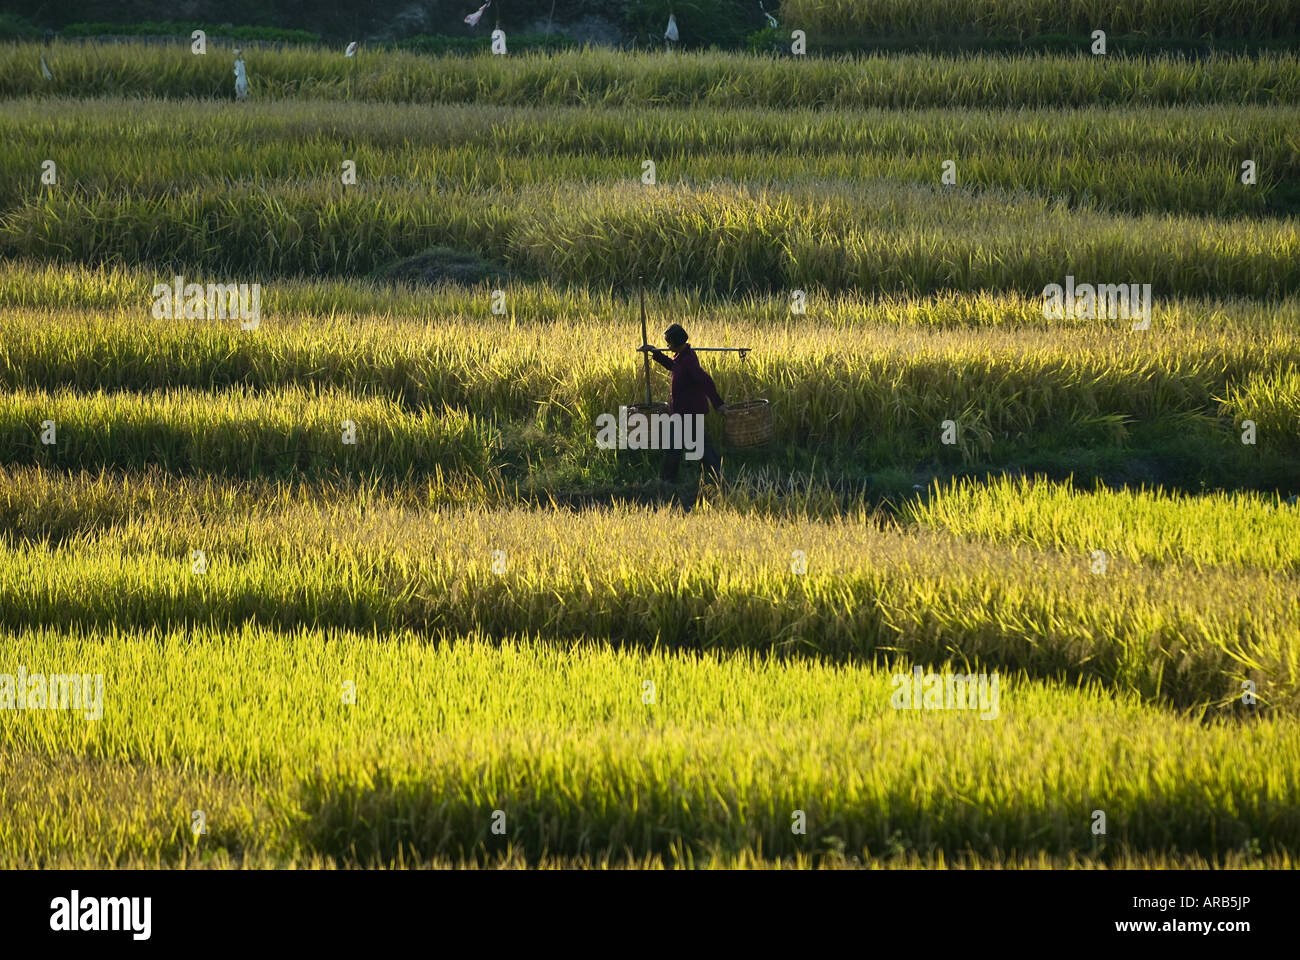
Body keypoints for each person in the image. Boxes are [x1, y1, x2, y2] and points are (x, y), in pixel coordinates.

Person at [639, 323, 726, 488]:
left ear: (677, 343)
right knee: (690, 446)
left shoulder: (689, 361)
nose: (667, 346)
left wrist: (718, 403)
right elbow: (673, 366)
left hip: (689, 412)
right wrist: (655, 353)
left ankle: (668, 481)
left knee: (685, 447)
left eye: (669, 343)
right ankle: (716, 477)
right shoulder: (681, 357)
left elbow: (705, 380)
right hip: (683, 411)